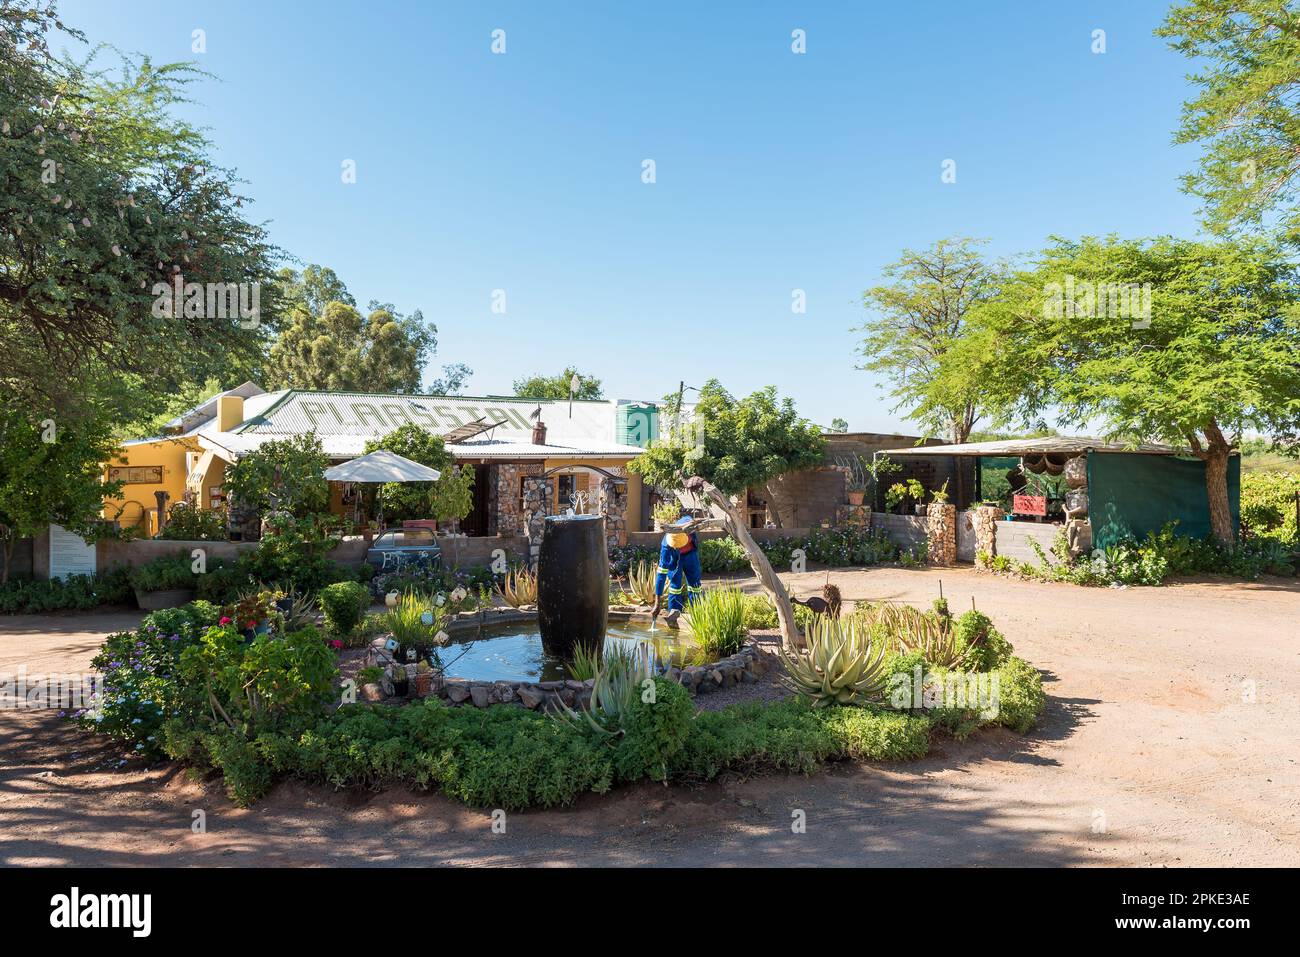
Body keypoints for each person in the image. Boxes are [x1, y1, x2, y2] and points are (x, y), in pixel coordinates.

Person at [650, 516, 702, 626]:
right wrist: (657, 603)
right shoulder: (666, 547)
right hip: (675, 558)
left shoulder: (688, 526)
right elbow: (661, 575)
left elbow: (692, 519)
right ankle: (674, 613)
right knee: (675, 585)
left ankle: (697, 613)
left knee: (695, 585)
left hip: (690, 554)